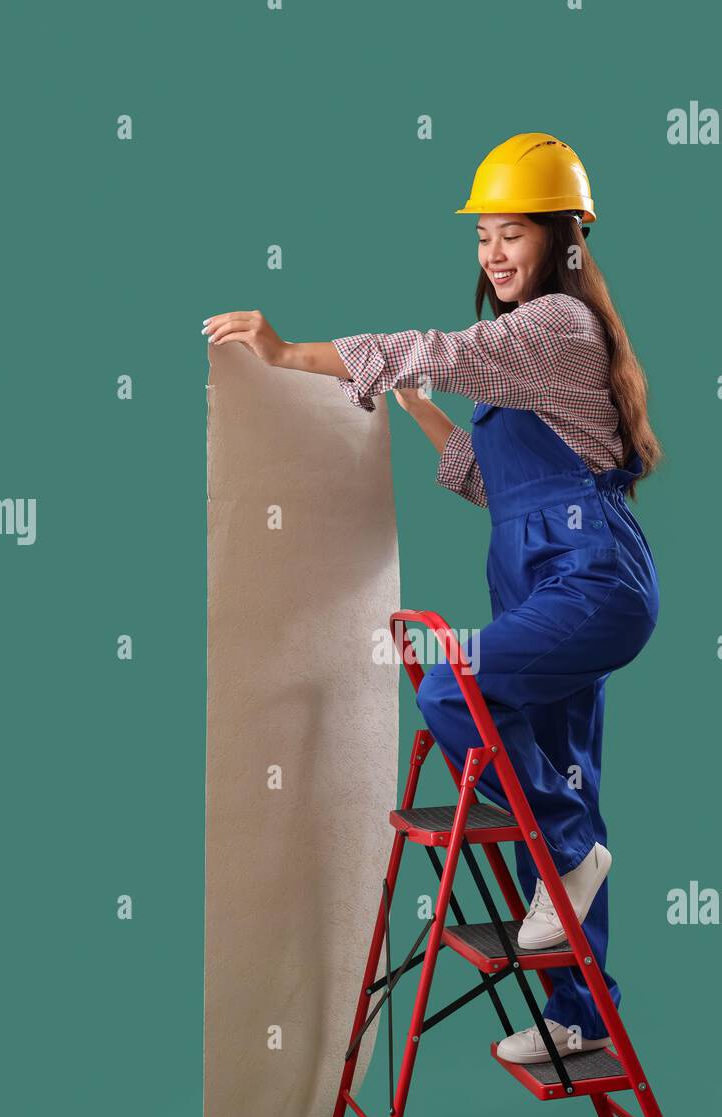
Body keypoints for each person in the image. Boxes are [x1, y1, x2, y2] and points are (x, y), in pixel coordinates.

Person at [201, 132, 661, 1066]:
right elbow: (495, 483)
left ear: (566, 241)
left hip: (593, 579)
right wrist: (410, 404)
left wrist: (290, 355)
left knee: (454, 689)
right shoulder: (529, 360)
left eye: (513, 235)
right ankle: (579, 1012)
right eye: (482, 236)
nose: (493, 254)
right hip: (550, 574)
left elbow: (439, 347)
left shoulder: (556, 328)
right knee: (571, 785)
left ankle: (564, 859)